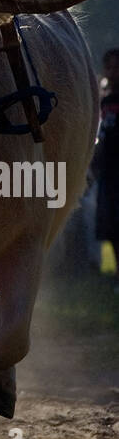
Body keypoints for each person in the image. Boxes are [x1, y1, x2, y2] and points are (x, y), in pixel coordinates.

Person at [92, 47, 119, 289]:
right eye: (109, 67)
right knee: (110, 225)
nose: (112, 72)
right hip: (107, 172)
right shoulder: (103, 99)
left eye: (116, 67)